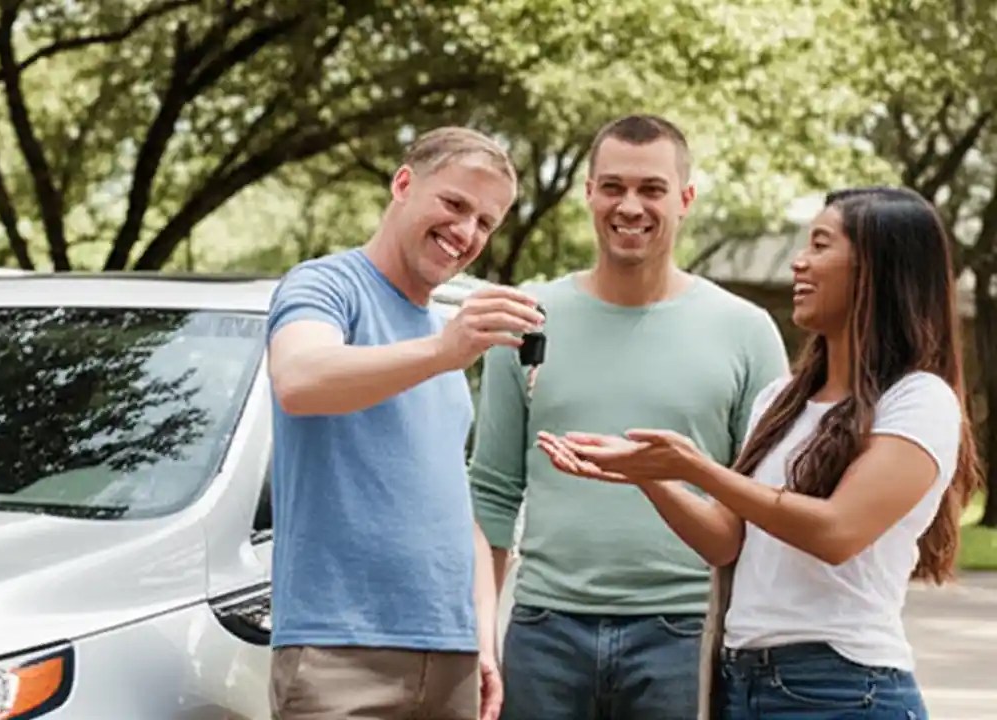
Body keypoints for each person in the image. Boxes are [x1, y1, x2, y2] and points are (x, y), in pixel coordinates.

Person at [539, 186, 982, 718]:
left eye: (820, 246)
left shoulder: (918, 399)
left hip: (843, 689)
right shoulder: (781, 399)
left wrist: (697, 467)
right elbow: (724, 541)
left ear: (877, 269)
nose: (800, 262)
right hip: (743, 684)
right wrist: (651, 476)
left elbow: (836, 531)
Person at [468, 114, 790, 720]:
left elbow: (760, 504)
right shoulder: (528, 318)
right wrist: (482, 636)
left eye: (652, 189)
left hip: (682, 632)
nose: (630, 206)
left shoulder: (746, 331)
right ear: (588, 192)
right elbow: (492, 492)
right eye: (612, 187)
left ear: (685, 199)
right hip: (544, 631)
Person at [265, 126, 543, 720]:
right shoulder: (328, 284)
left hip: (450, 652)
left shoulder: (439, 336)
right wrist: (446, 351)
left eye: (486, 223)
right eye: (455, 204)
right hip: (339, 650)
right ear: (403, 183)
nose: (467, 232)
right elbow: (299, 379)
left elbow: (454, 508)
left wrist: (482, 635)